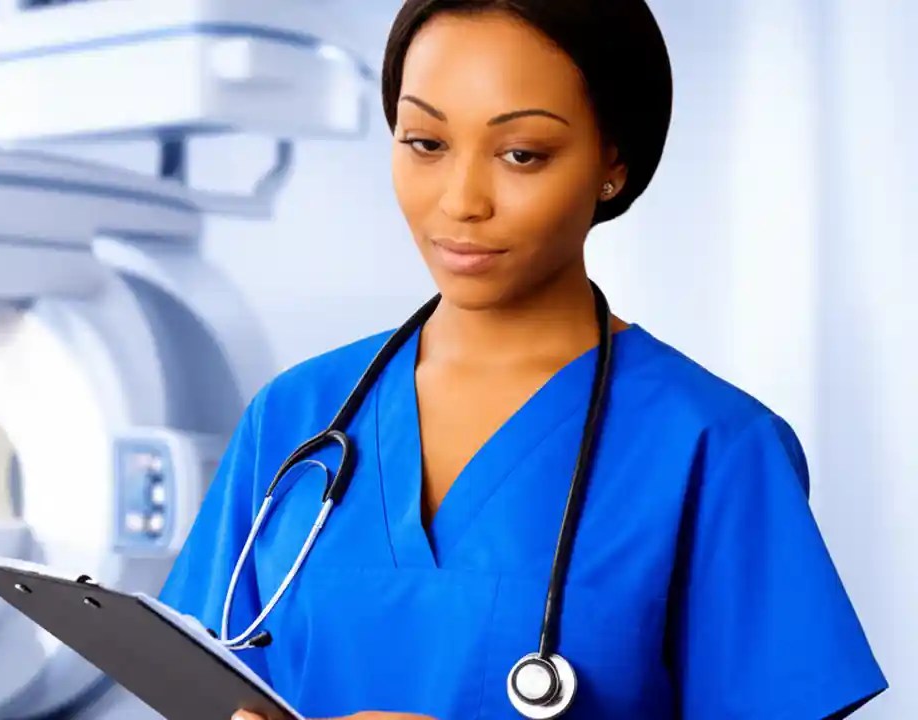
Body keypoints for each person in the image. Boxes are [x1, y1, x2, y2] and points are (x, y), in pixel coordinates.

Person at [158, 0, 888, 718]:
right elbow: (207, 685)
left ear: (613, 161)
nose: (461, 201)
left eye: (522, 154)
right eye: (425, 143)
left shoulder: (715, 447)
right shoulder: (295, 415)